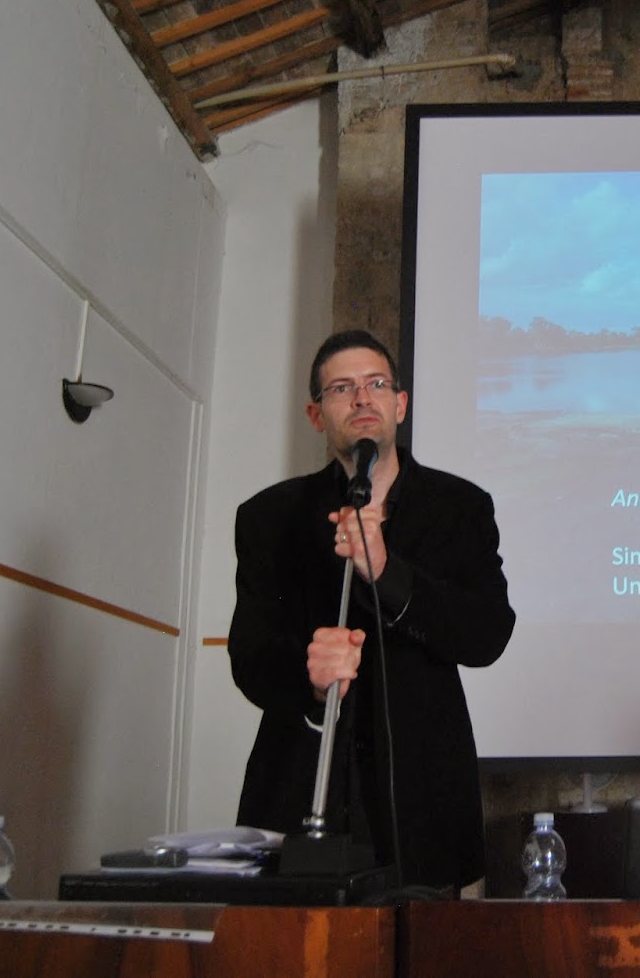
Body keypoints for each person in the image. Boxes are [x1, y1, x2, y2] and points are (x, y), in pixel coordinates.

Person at [228, 329, 515, 892]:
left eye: (376, 384)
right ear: (317, 414)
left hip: (424, 796)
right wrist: (309, 680)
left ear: (399, 405)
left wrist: (387, 573)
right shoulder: (268, 516)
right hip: (301, 790)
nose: (362, 398)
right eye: (342, 388)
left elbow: (487, 634)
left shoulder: (460, 507)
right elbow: (250, 654)